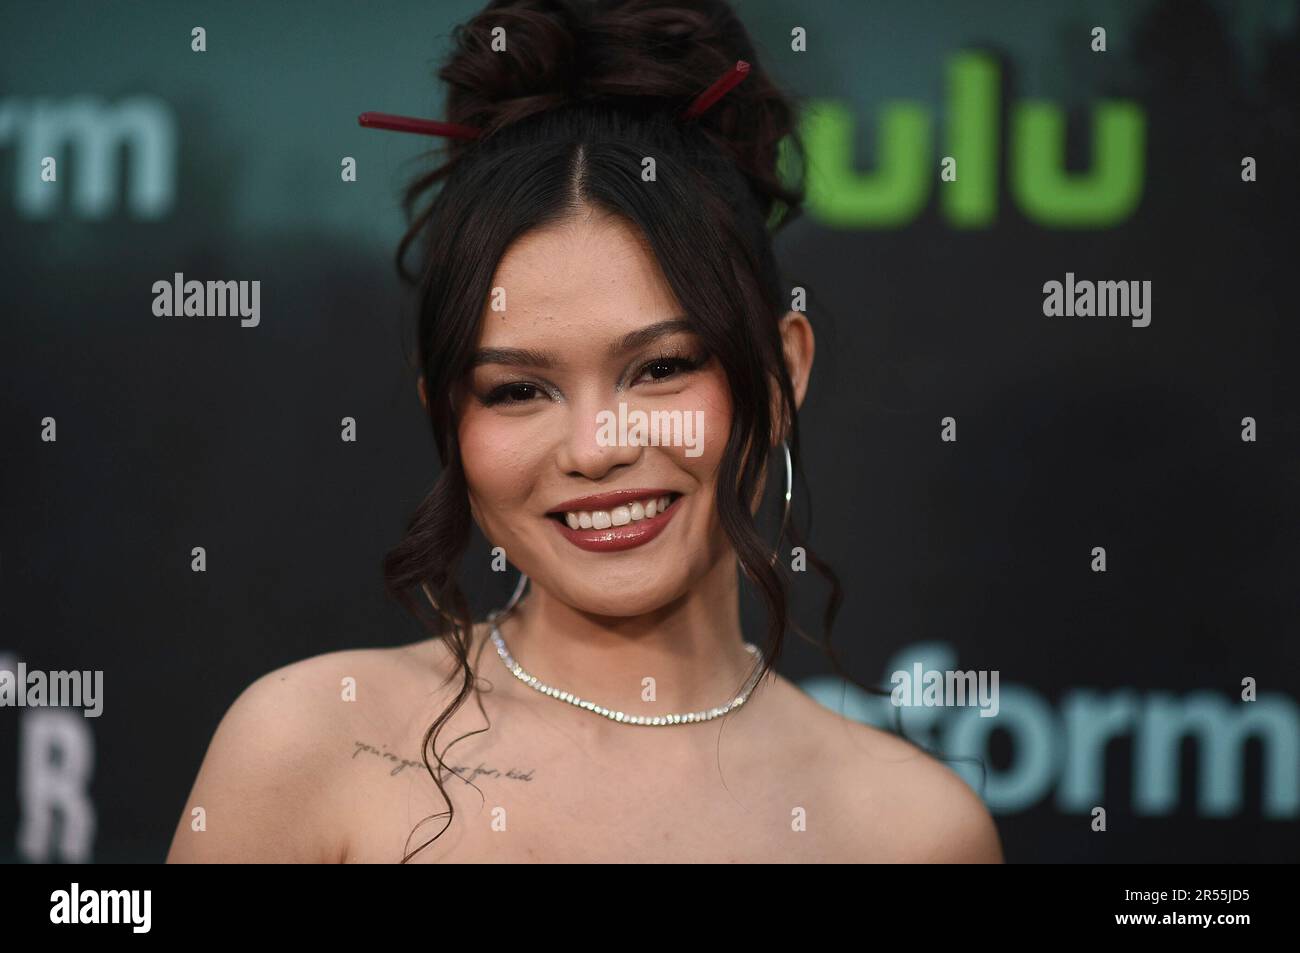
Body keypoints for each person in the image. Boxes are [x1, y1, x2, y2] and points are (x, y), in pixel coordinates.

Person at [167, 0, 1003, 864]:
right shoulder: (308, 747)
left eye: (661, 367)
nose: (595, 447)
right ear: (446, 414)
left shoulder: (912, 830)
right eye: (520, 388)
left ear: (783, 371)